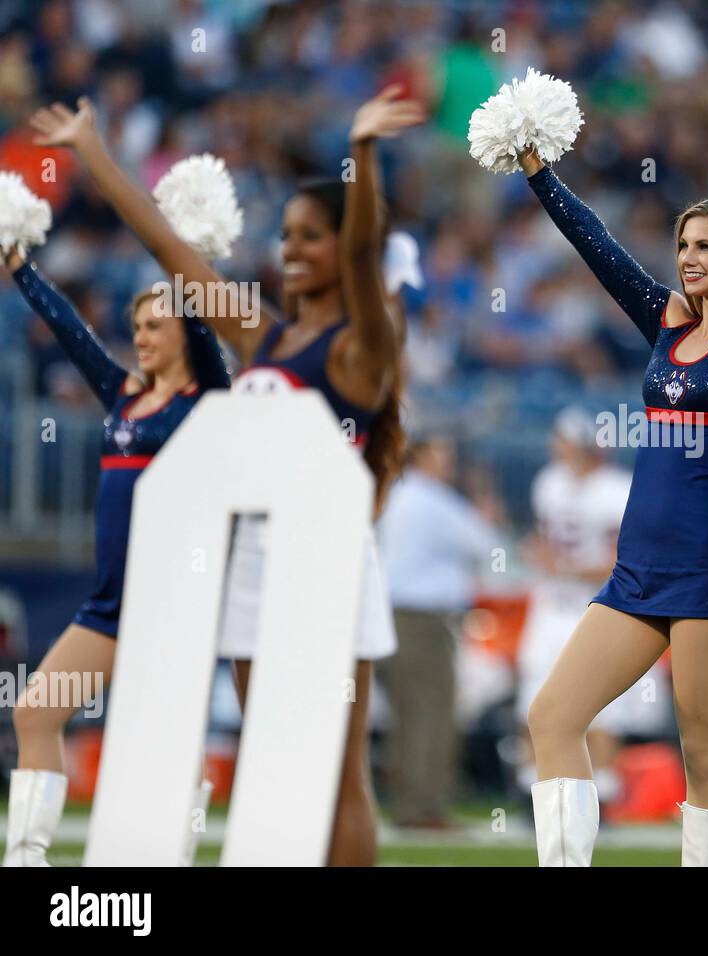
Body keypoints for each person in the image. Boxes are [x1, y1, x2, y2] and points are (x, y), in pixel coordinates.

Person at [28, 87, 424, 865]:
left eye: (312, 237)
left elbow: (364, 251)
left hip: (326, 566)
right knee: (275, 770)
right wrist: (94, 151)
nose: (292, 250)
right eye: (285, 237)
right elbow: (169, 253)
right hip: (252, 568)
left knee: (337, 781)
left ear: (346, 247)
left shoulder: (359, 349)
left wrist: (364, 156)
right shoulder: (265, 338)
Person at [513, 140, 708, 867]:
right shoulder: (669, 325)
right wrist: (540, 174)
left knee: (702, 745)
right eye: (682, 244)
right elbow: (597, 248)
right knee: (552, 716)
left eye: (706, 245)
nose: (688, 257)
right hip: (638, 567)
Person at [2, 246, 228, 866]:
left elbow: (207, 330)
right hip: (109, 607)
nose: (143, 338)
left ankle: (171, 857)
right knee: (35, 712)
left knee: (168, 745)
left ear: (186, 331)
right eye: (136, 328)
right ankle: (26, 858)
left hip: (171, 606)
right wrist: (22, 268)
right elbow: (72, 333)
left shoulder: (206, 399)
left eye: (157, 326)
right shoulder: (125, 397)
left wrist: (186, 261)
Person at [514, 407, 669, 808]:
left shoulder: (616, 489)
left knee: (603, 708)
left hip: (597, 606)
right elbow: (542, 538)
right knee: (533, 700)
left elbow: (628, 556)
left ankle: (600, 795)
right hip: (551, 605)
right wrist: (540, 555)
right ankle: (536, 791)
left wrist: (567, 567)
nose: (558, 448)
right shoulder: (548, 483)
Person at [375, 432, 497, 828]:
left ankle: (411, 803)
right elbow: (486, 543)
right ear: (422, 456)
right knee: (432, 714)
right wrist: (481, 501)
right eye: (442, 454)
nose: (449, 463)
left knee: (408, 715)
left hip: (394, 614)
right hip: (422, 619)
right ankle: (423, 806)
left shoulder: (396, 494)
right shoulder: (433, 500)